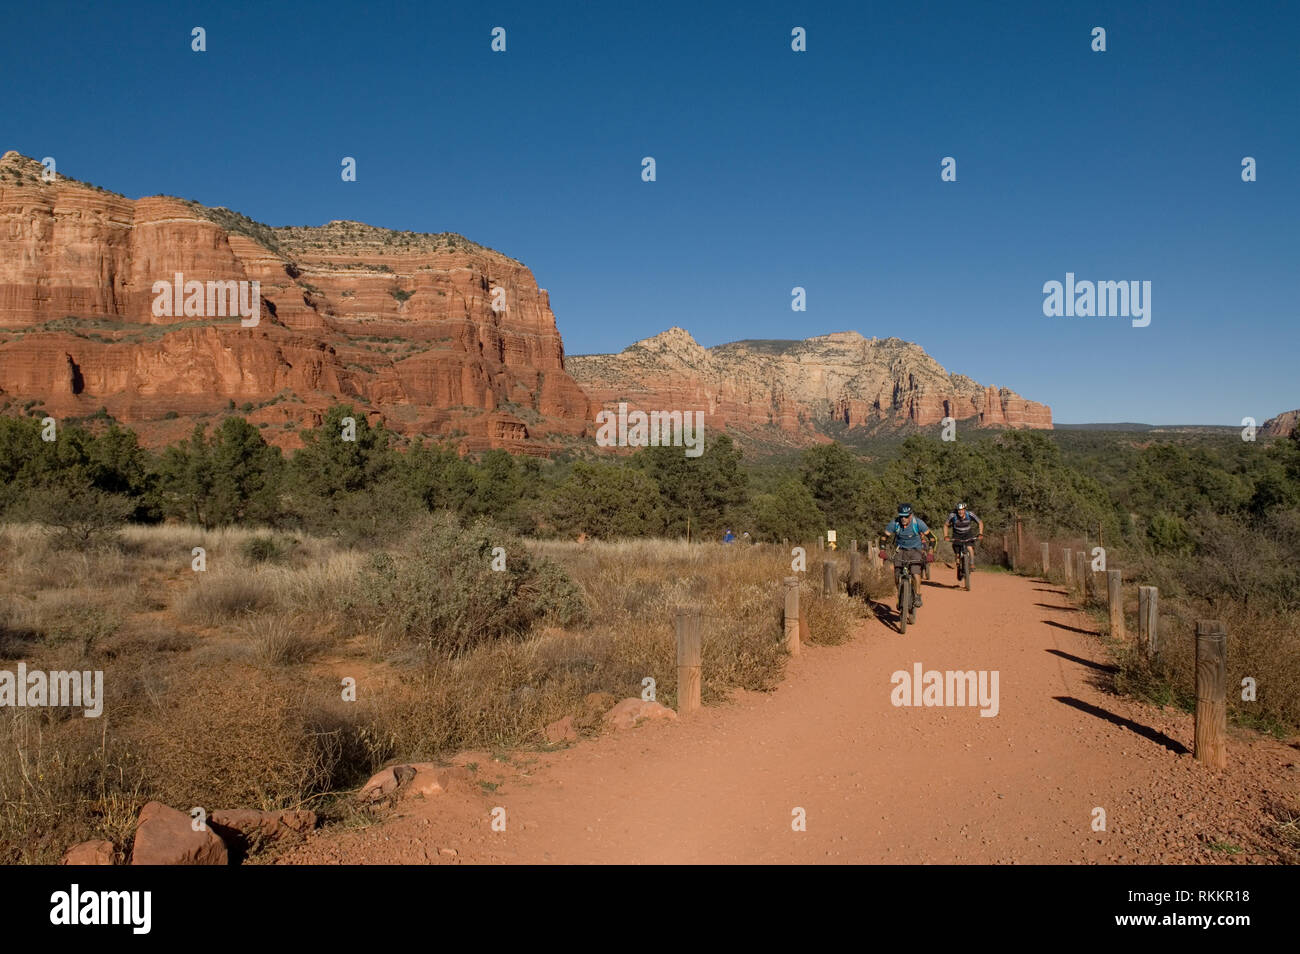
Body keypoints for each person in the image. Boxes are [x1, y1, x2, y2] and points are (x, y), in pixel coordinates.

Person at [881, 504, 935, 607]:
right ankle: (900, 595)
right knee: (897, 575)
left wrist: (930, 553)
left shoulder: (918, 523)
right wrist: (882, 550)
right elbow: (884, 537)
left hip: (916, 550)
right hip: (900, 550)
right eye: (901, 516)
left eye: (906, 516)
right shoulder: (895, 523)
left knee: (915, 573)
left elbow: (932, 538)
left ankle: (918, 595)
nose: (903, 518)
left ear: (911, 515)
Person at [943, 502, 984, 581]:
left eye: (962, 510)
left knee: (970, 548)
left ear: (965, 510)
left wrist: (980, 533)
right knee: (957, 553)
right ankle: (958, 566)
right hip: (957, 534)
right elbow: (945, 525)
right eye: (959, 510)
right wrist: (946, 535)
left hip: (967, 534)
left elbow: (980, 522)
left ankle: (972, 564)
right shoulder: (953, 515)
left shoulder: (970, 514)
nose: (960, 512)